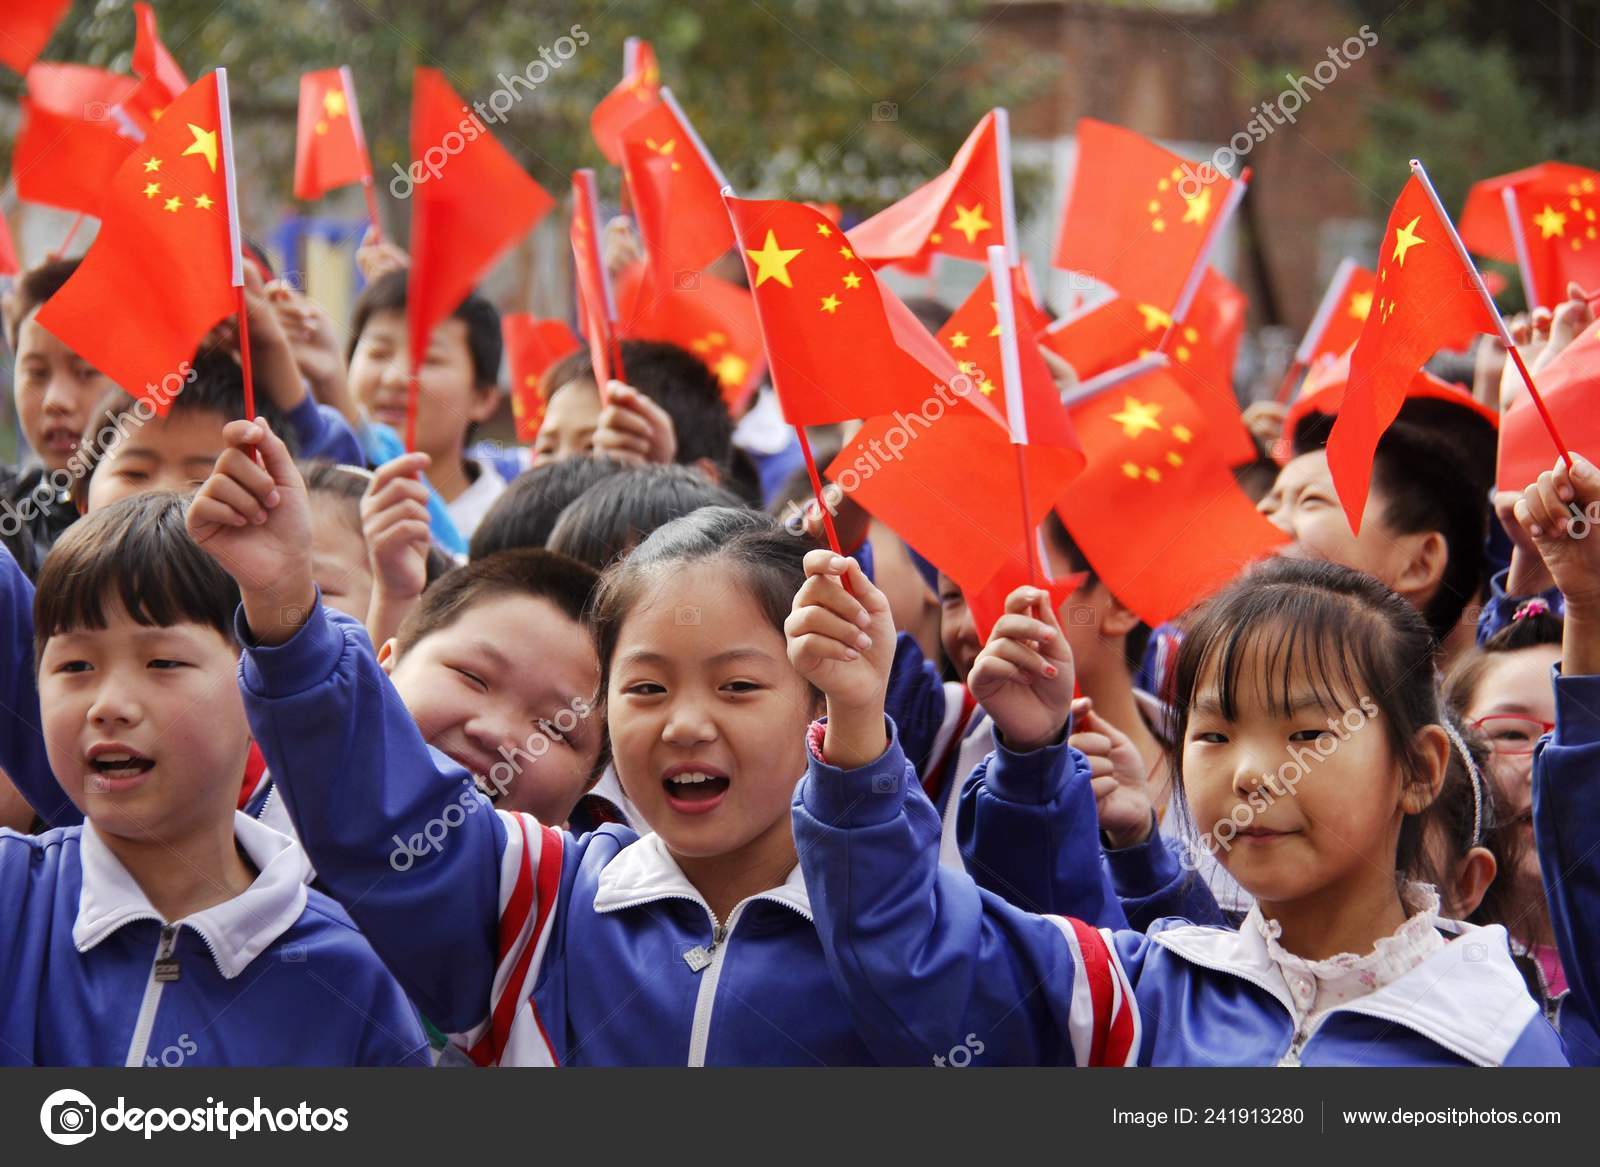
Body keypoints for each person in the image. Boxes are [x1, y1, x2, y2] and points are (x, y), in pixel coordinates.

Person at [189, 421, 1101, 1063]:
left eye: (739, 685)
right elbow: (380, 814)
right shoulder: (537, 906)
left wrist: (998, 761)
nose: (686, 722)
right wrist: (285, 609)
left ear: (819, 703)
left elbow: (1063, 999)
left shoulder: (910, 940)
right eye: (645, 687)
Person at [794, 555, 1565, 1065]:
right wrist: (859, 720)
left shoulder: (1493, 1038)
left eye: (1305, 732)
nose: (1253, 771)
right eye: (1215, 732)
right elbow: (912, 958)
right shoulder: (1139, 993)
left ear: (1419, 769)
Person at [0, 492, 427, 1066]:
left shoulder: (348, 977)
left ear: (259, 693)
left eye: (162, 663)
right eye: (75, 666)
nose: (109, 705)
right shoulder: (13, 896)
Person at [345, 271, 505, 539]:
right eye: (378, 353)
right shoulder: (311, 500)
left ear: (483, 397)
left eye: (428, 359)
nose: (395, 377)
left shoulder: (504, 528)